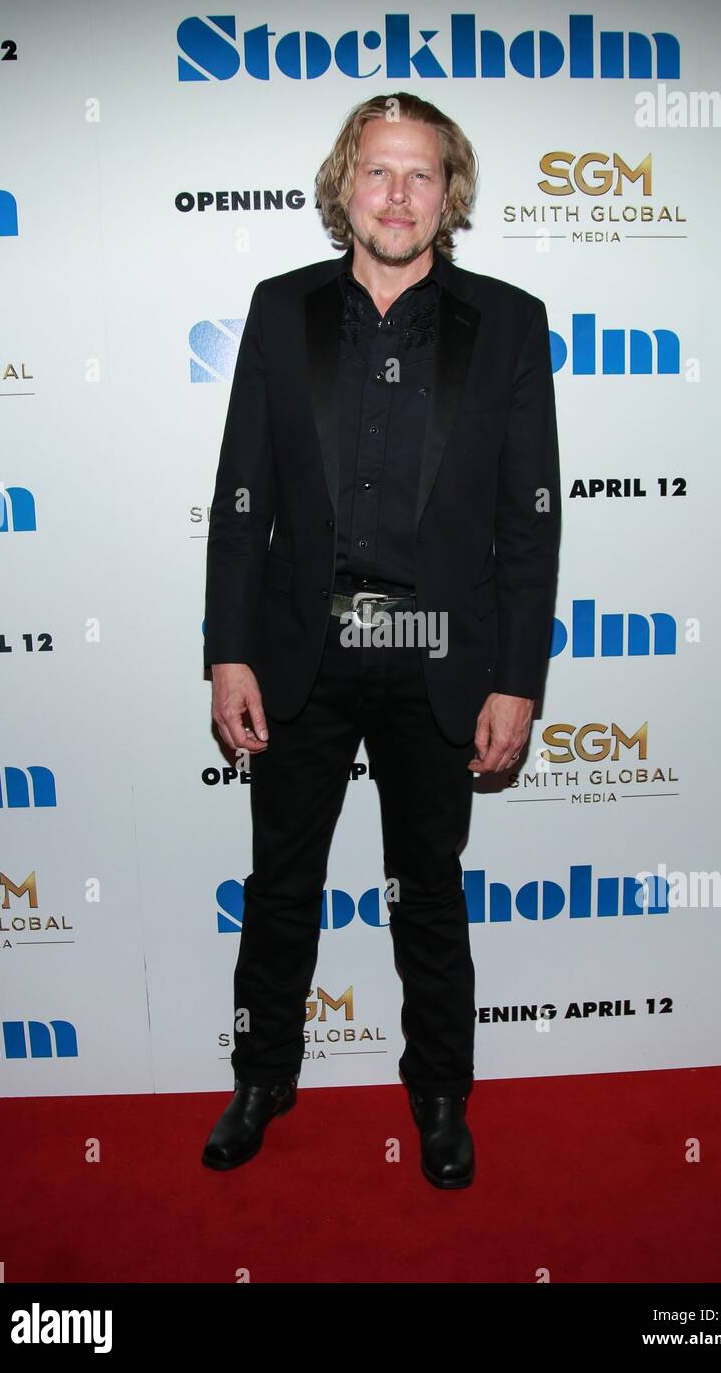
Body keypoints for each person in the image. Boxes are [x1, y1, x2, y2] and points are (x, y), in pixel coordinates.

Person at [200, 92, 561, 1189]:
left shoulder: (505, 321)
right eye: (376, 173)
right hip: (299, 647)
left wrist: (516, 678)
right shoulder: (279, 311)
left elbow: (528, 516)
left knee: (428, 889)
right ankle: (261, 1077)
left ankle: (440, 1095)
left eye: (419, 175)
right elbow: (239, 498)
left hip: (436, 653)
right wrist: (227, 648)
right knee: (278, 884)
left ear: (447, 194)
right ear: (341, 186)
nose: (396, 195)